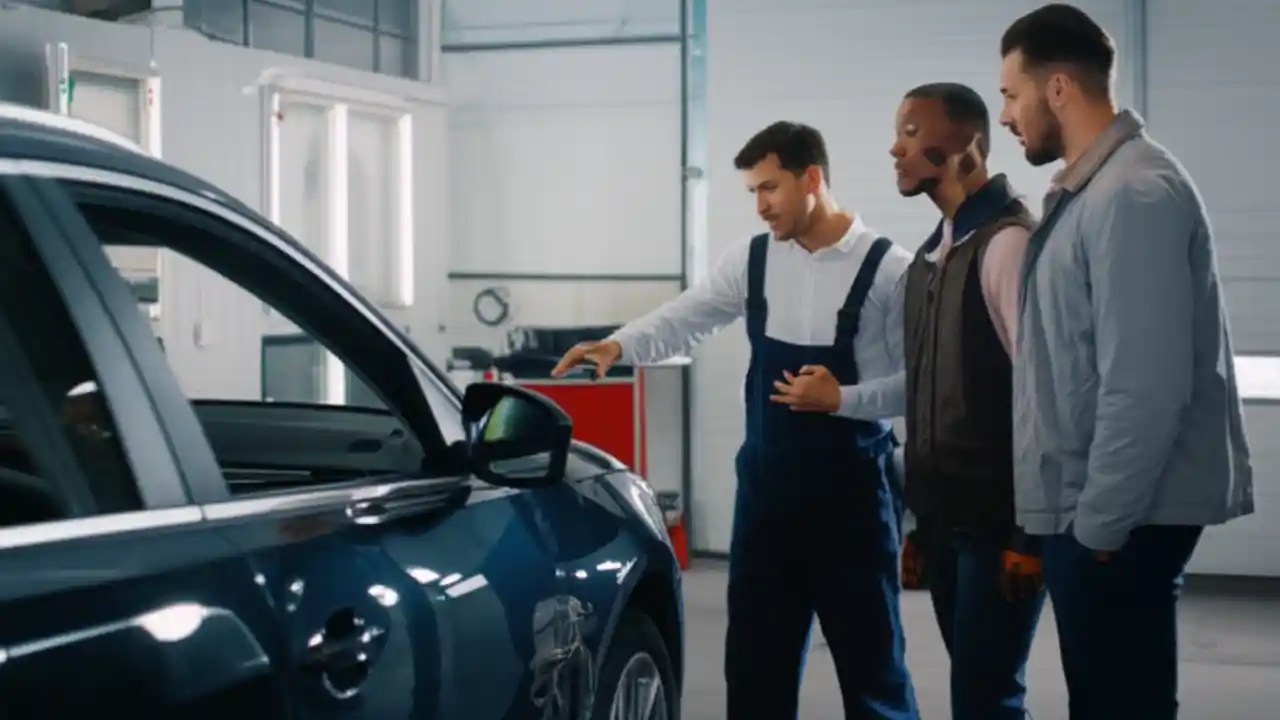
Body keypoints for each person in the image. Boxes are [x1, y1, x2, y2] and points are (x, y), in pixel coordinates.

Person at [552, 121, 919, 719]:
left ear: (812, 179)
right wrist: (617, 346)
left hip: (852, 501)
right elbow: (684, 318)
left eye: (769, 188)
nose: (761, 205)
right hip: (767, 498)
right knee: (755, 665)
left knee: (872, 665)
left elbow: (919, 388)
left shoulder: (889, 271)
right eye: (752, 190)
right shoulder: (752, 261)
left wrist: (843, 399)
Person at [997, 4, 1255, 718]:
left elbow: (1144, 384)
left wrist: (1099, 527)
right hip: (1100, 516)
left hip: (1119, 523)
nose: (1007, 117)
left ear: (1057, 89)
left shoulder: (1133, 193)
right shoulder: (1090, 192)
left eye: (1011, 96)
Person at [886, 81, 1047, 719]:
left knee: (988, 696)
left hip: (997, 528)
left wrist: (1026, 534)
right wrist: (921, 524)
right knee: (975, 689)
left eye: (911, 133)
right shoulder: (931, 256)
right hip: (948, 525)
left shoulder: (1007, 245)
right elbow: (928, 395)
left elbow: (1042, 398)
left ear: (968, 148)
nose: (895, 148)